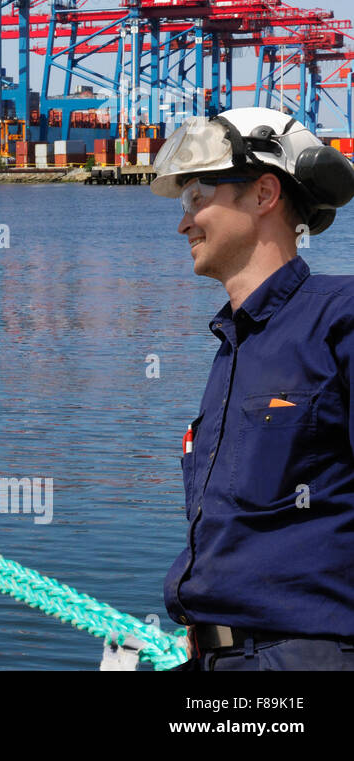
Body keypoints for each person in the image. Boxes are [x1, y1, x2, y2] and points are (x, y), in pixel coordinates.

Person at [151, 107, 354, 670]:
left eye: (198, 198)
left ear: (264, 193)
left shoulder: (340, 318)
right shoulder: (234, 347)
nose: (183, 222)